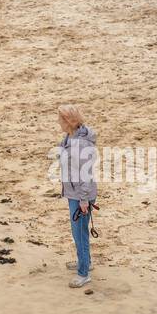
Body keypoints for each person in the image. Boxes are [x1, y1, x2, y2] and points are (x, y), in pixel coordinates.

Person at [57, 106, 97, 288]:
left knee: (79, 234)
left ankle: (83, 274)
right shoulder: (70, 138)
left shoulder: (81, 144)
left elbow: (86, 175)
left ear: (69, 121)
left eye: (60, 119)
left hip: (81, 195)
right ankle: (85, 262)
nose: (58, 123)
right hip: (74, 193)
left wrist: (83, 200)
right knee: (79, 232)